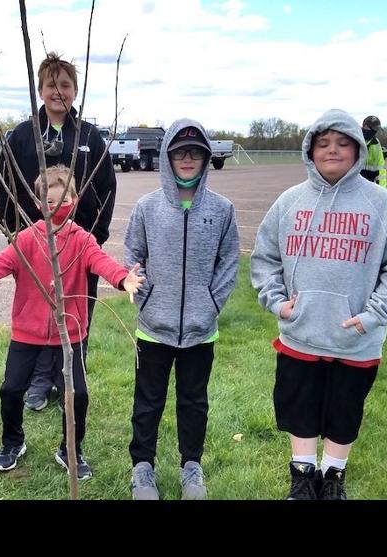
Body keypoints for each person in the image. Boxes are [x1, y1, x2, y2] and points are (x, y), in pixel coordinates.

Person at [250, 109, 387, 499]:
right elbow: (264, 257)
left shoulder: (380, 202)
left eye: (343, 143)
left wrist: (374, 314)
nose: (333, 151)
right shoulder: (290, 201)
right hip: (301, 331)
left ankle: (332, 479)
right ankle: (303, 478)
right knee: (300, 405)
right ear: (310, 149)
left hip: (356, 335)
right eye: (323, 143)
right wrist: (277, 303)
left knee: (344, 411)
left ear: (357, 150)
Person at [0, 165, 143, 480]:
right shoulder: (27, 238)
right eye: (49, 202)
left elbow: (103, 263)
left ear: (75, 198)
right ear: (39, 204)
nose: (57, 207)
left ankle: (70, 449)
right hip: (27, 334)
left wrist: (123, 279)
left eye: (63, 199)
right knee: (11, 389)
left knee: (77, 395)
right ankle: (13, 442)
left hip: (69, 335)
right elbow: (0, 264)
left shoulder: (82, 240)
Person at [124, 120, 239, 500]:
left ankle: (192, 466)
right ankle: (143, 467)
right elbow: (133, 257)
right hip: (152, 327)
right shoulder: (147, 207)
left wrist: (211, 304)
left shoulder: (222, 210)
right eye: (179, 152)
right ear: (166, 157)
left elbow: (228, 262)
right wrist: (146, 295)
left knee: (193, 401)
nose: (187, 159)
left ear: (206, 159)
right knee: (148, 401)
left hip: (200, 329)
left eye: (195, 153)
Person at [0, 52, 117, 412]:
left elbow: (107, 188)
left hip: (77, 249)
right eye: (51, 85)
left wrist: (95, 237)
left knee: (75, 316)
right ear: (40, 90)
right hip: (35, 250)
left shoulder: (90, 137)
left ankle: (68, 379)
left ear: (75, 90)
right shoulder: (22, 135)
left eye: (65, 85)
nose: (58, 92)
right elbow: (7, 187)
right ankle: (38, 381)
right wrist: (17, 236)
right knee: (38, 313)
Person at [359, 115, 387, 188]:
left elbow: (381, 167)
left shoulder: (376, 143)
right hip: (354, 183)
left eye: (377, 129)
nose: (375, 131)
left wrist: (382, 188)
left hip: (370, 184)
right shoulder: (354, 140)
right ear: (365, 126)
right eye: (374, 128)